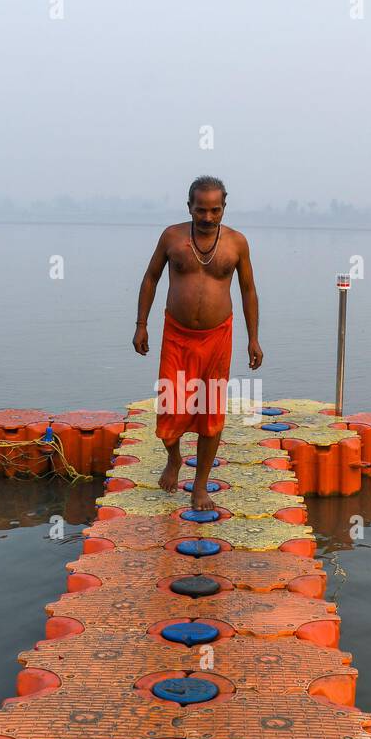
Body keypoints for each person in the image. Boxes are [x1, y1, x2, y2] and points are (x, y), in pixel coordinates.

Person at [132, 176, 263, 510]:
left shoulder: (237, 243)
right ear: (189, 206)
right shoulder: (172, 237)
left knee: (210, 411)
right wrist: (141, 325)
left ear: (224, 207)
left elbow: (248, 290)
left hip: (218, 336)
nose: (207, 217)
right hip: (177, 335)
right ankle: (174, 459)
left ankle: (200, 485)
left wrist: (254, 339)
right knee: (170, 408)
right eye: (201, 210)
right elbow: (151, 277)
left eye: (214, 210)